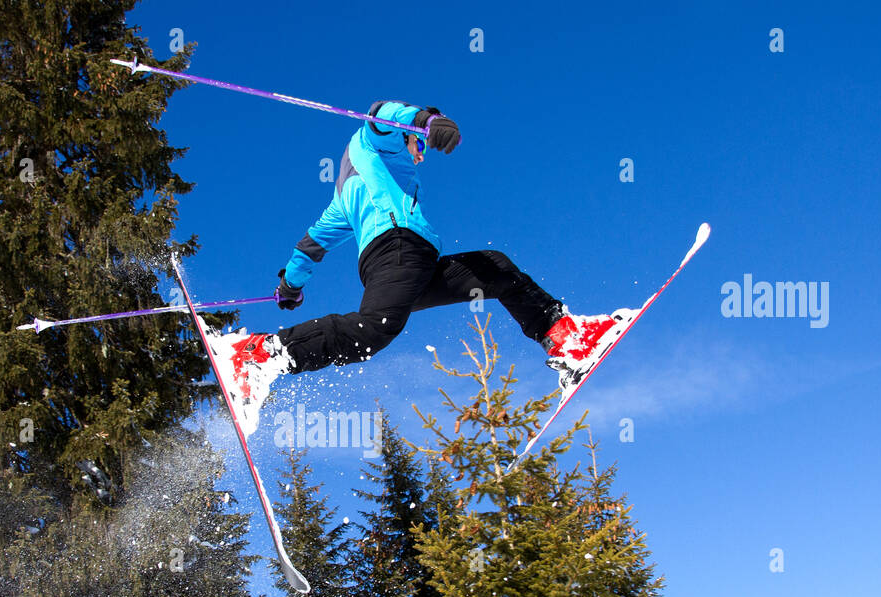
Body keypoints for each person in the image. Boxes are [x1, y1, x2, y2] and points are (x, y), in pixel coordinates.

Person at [211, 100, 629, 433]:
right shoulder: (376, 144)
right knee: (373, 329)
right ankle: (257, 354)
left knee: (495, 268)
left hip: (414, 262)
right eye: (420, 146)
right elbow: (379, 114)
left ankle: (567, 339)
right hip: (396, 250)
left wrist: (291, 283)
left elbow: (312, 243)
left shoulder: (347, 196)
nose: (421, 155)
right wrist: (428, 120)